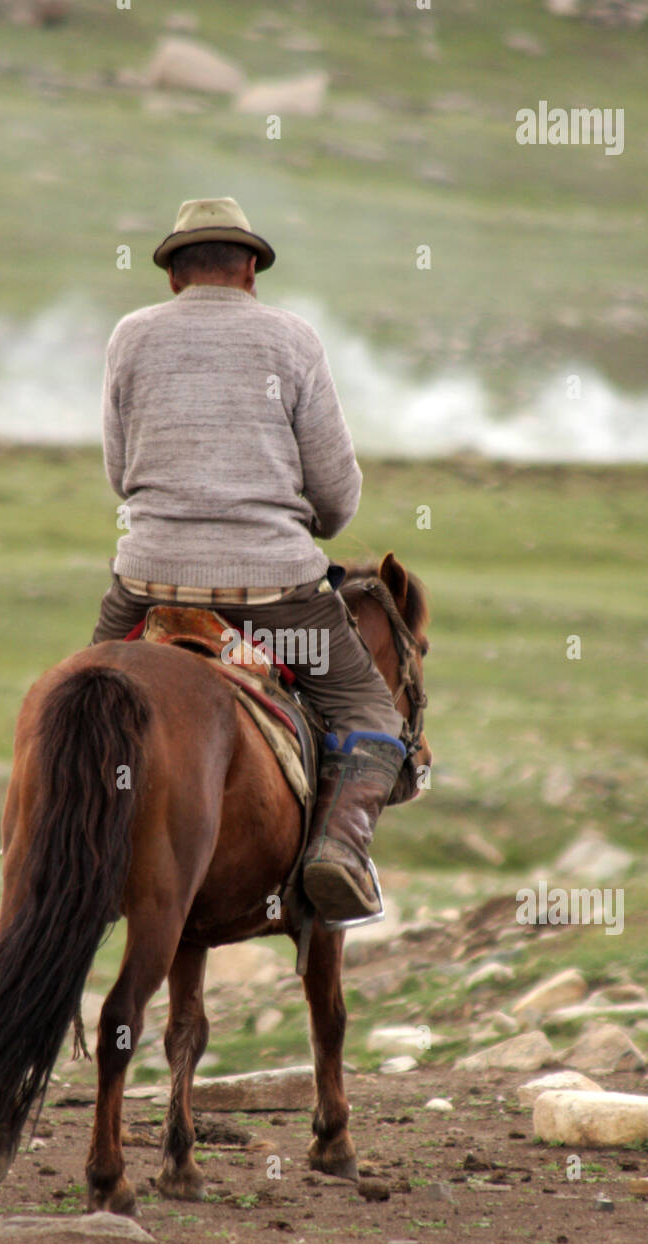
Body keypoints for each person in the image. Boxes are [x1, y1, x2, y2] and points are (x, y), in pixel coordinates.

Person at [91, 196, 412, 924]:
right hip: (272, 591)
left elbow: (120, 472)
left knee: (79, 711)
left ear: (174, 276)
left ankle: (75, 841)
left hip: (146, 584)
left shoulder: (129, 337)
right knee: (368, 707)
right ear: (249, 270)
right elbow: (334, 491)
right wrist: (319, 522)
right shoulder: (291, 339)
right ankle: (337, 851)